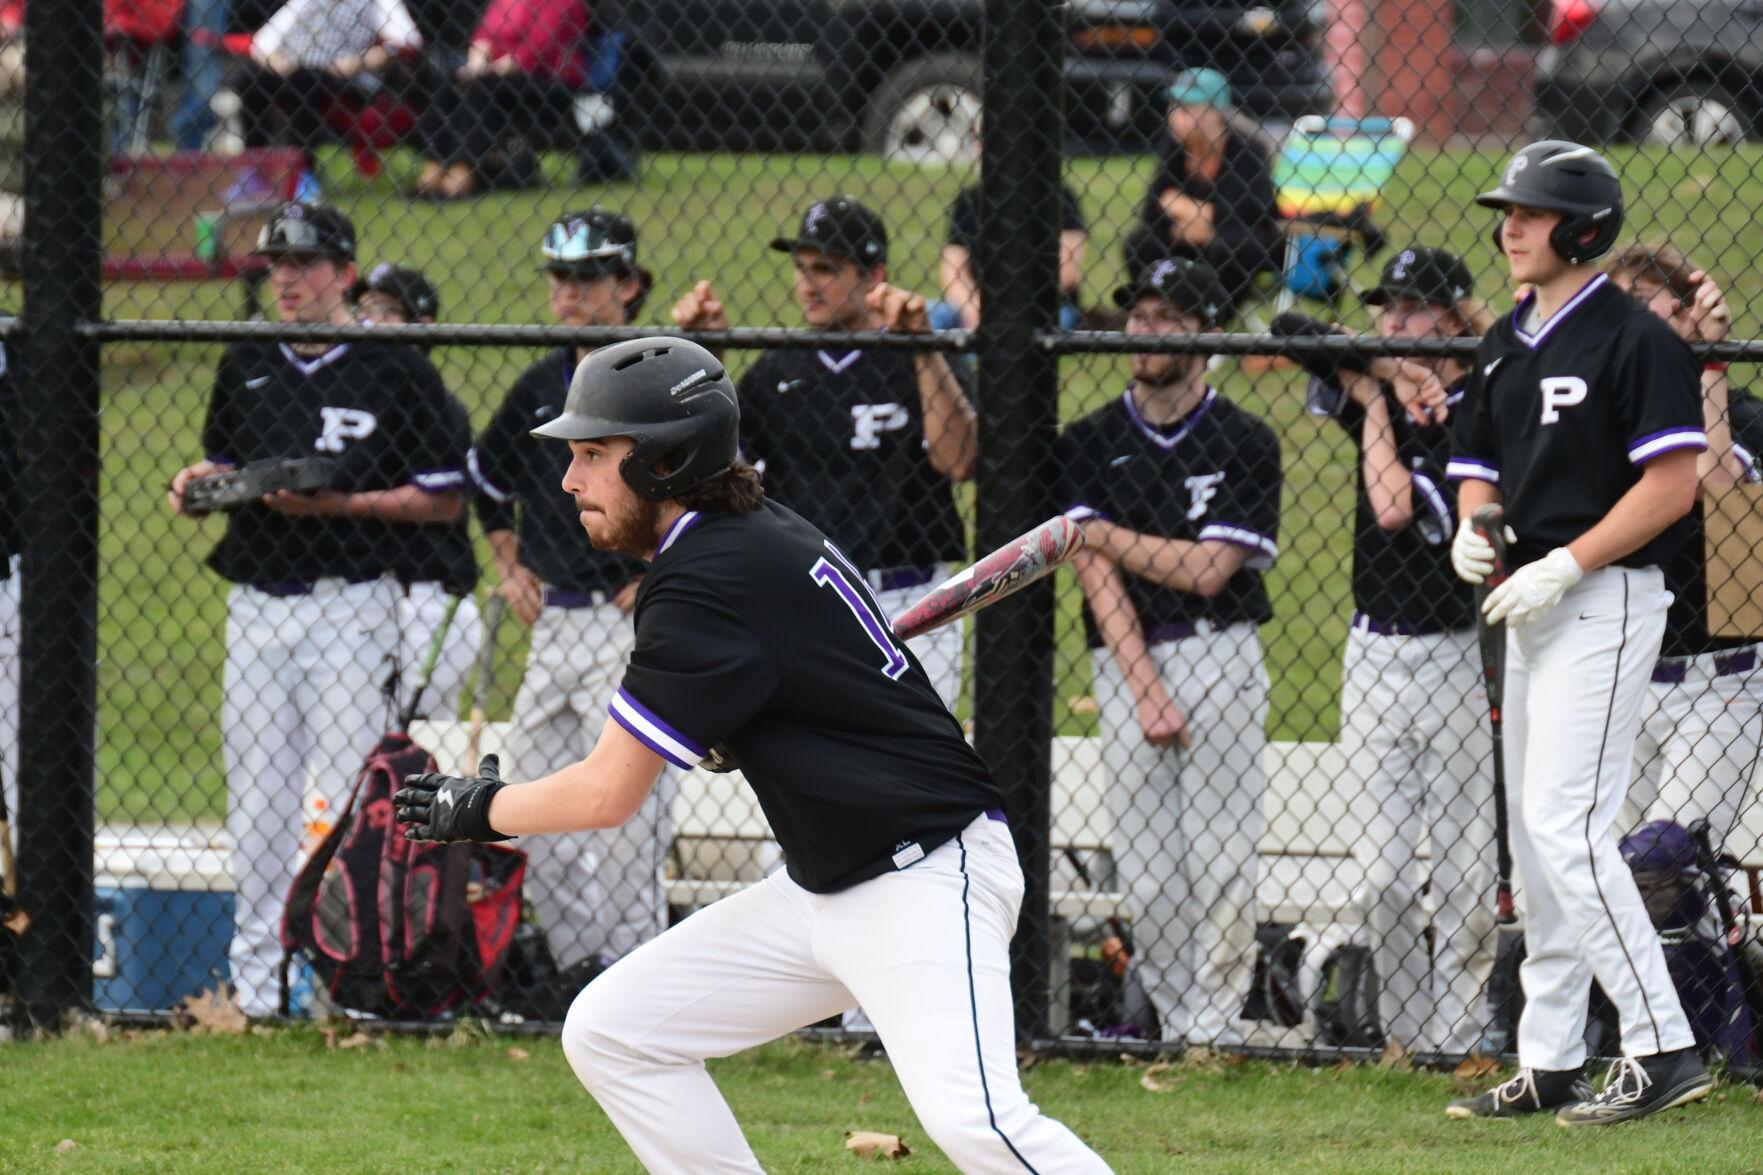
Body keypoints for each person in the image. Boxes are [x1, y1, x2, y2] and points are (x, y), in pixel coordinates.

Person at [394, 335, 1112, 1174]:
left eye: (594, 453)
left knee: (976, 1121)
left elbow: (605, 794)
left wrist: (475, 807)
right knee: (614, 1031)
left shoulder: (705, 575)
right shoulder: (748, 531)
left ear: (665, 461)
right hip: (824, 889)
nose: (568, 479)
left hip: (922, 876)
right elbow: (789, 685)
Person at [1444, 141, 1714, 1124]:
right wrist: (1476, 529)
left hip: (1602, 600)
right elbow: (1473, 459)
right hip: (1529, 607)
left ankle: (1661, 1045)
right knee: (1534, 835)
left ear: (1583, 228)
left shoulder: (1631, 338)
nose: (1507, 226)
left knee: (1564, 824)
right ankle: (1549, 1055)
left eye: (1529, 210)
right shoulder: (1502, 337)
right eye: (1505, 209)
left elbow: (1671, 485)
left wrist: (1567, 561)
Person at [165, 203, 470, 1018]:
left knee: (349, 798)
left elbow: (443, 498)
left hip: (350, 606)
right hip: (259, 609)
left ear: (344, 272)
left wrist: (342, 502)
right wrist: (199, 487)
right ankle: (261, 993)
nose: (287, 278)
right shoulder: (247, 358)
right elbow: (224, 462)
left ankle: (356, 987)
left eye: (303, 263)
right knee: (259, 804)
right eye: (275, 264)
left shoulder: (393, 365)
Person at [1058, 257, 1282, 1046]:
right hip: (1125, 663)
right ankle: (1179, 1020)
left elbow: (1210, 569)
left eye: (1166, 316)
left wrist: (1104, 533)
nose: (1144, 330)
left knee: (1220, 856)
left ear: (1205, 331)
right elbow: (1093, 573)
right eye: (1137, 315)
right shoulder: (1086, 440)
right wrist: (1145, 686)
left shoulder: (1245, 439)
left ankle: (1215, 1029)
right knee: (1149, 868)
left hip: (1220, 652)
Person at [1289, 247, 1499, 1056]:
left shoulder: (1478, 407)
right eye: (1387, 307)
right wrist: (1382, 376)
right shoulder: (1379, 382)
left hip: (1451, 652)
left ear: (1450, 317)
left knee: (1457, 861)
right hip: (1369, 652)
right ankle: (1407, 1033)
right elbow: (1288, 327)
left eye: (1413, 308)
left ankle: (1461, 1024)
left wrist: (1374, 397)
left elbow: (1389, 507)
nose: (1395, 318)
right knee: (1379, 870)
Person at [671, 196, 976, 709]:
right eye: (801, 267)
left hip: (911, 596)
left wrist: (923, 347)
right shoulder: (776, 372)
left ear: (874, 275)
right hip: (808, 599)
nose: (808, 283)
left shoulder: (919, 359)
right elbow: (715, 478)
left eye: (827, 269)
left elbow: (959, 460)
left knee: (909, 774)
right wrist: (708, 361)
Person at [468, 208, 663, 972]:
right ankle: (582, 966)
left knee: (626, 826)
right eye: (559, 275)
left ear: (627, 284)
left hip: (628, 626)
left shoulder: (656, 375)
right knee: (522, 806)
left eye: (587, 276)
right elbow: (484, 481)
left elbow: (721, 485)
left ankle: (641, 973)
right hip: (555, 622)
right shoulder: (542, 381)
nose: (570, 292)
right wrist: (509, 563)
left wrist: (658, 571)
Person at [1606, 244, 1763, 851]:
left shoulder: (1742, 414)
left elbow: (1717, 489)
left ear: (1688, 308)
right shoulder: (1610, 410)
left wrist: (1710, 368)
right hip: (1623, 675)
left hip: (1719, 679)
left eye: (1641, 302)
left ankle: (1698, 944)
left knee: (1669, 864)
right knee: (1615, 875)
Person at [349, 262, 484, 719]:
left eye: (385, 310)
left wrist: (343, 504)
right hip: (364, 597)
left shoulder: (436, 407)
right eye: (362, 308)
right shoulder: (352, 402)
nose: (368, 321)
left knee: (409, 743)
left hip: (426, 598)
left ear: (422, 325)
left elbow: (442, 503)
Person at [1123, 68, 1279, 310]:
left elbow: (1242, 219)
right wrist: (1204, 217)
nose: (1174, 116)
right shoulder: (1173, 146)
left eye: (1186, 109)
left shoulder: (1247, 150)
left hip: (1239, 246)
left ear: (1215, 113)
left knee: (1230, 247)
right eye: (1173, 107)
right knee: (1140, 243)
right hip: (1188, 241)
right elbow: (1153, 213)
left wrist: (1181, 207)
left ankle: (1215, 314)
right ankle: (1161, 308)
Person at [408, 0, 590, 199]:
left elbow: (534, 50)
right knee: (452, 83)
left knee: (481, 87)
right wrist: (475, 68)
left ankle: (462, 172)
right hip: (500, 81)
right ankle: (435, 167)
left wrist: (487, 73)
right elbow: (483, 36)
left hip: (549, 86)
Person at [931, 122, 1089, 334]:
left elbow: (1067, 273)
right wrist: (974, 306)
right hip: (976, 302)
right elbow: (951, 269)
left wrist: (1008, 310)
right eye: (979, 140)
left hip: (1044, 307)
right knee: (930, 316)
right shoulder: (970, 199)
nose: (983, 147)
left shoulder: (1058, 196)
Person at [238, 0, 424, 160]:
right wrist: (277, 62)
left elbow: (409, 39)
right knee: (251, 79)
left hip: (345, 79)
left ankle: (302, 169)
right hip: (294, 69)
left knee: (306, 83)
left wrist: (363, 60)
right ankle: (254, 162)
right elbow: (263, 42)